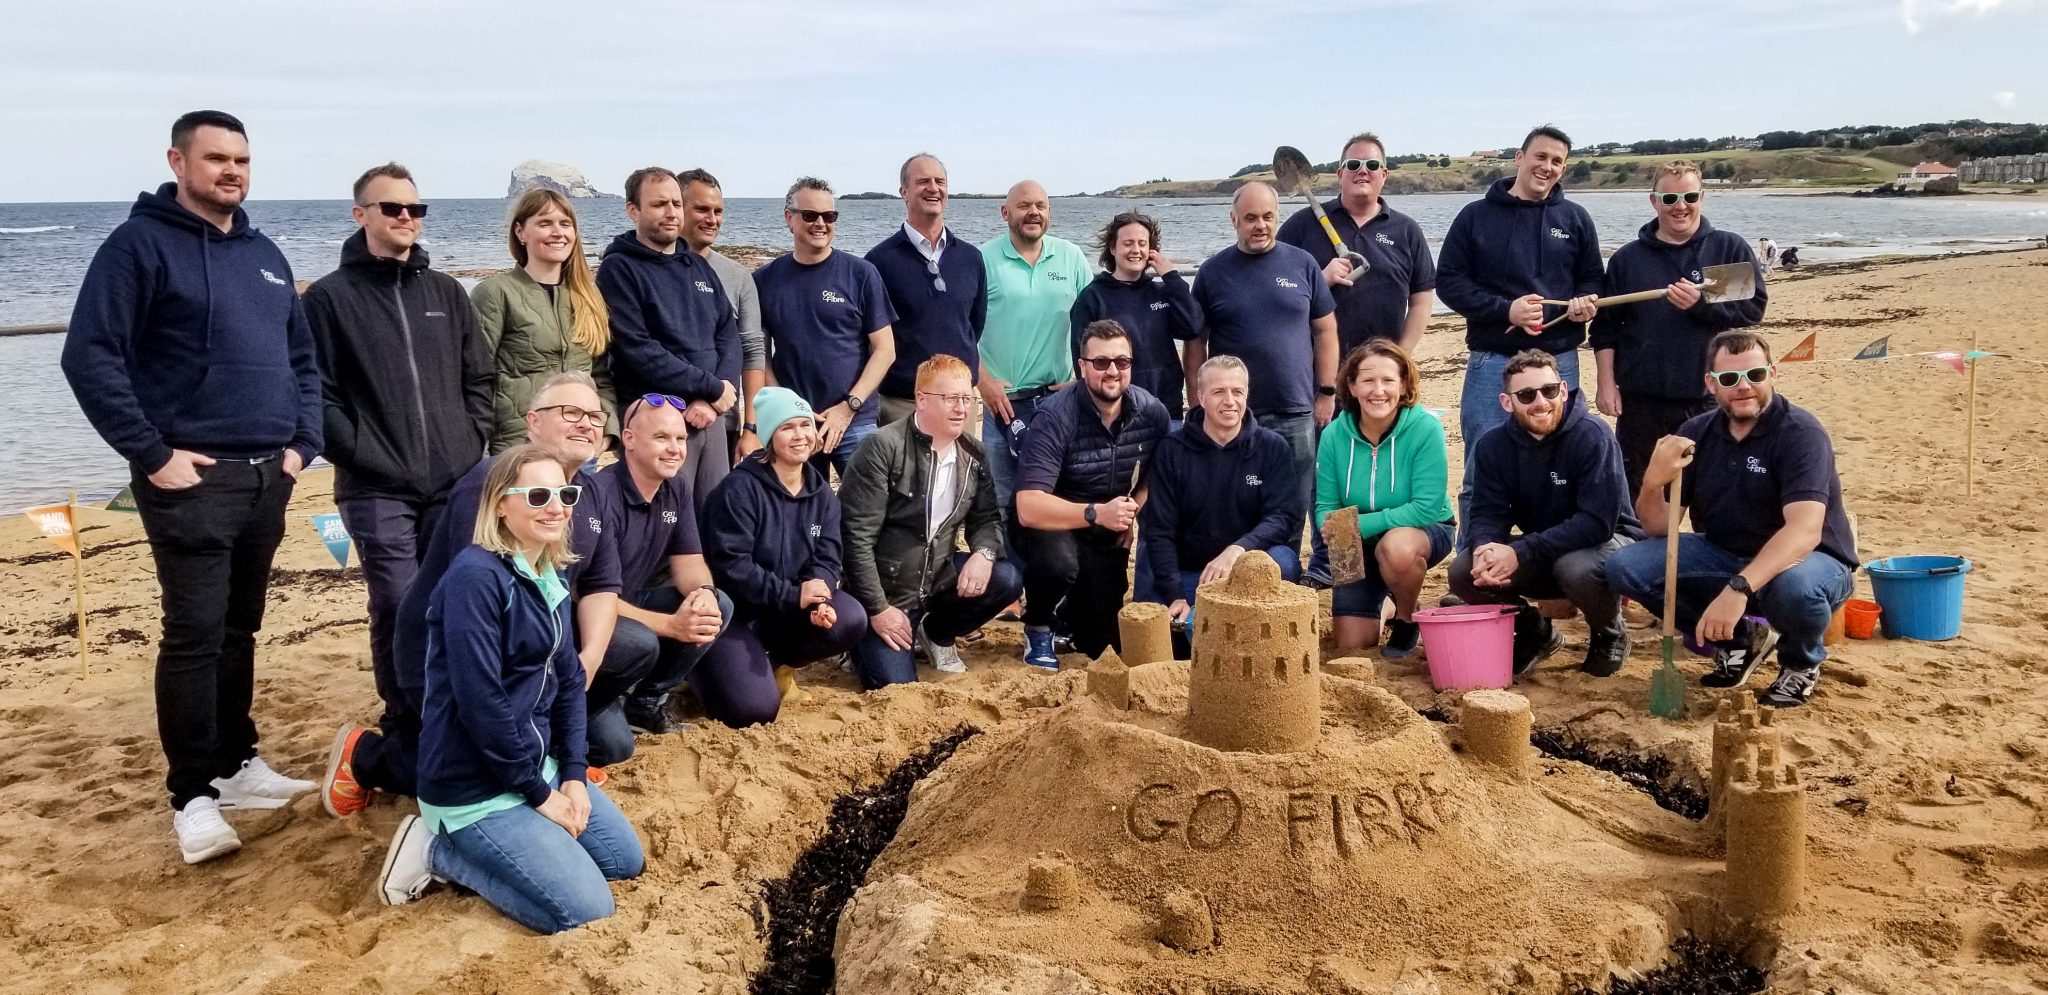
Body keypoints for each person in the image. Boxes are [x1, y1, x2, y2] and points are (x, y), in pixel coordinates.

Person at [61, 110, 322, 863]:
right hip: (189, 479)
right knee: (193, 635)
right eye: (216, 159)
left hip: (266, 475)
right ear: (179, 160)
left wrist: (304, 445)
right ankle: (193, 796)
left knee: (241, 629)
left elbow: (301, 360)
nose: (232, 170)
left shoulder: (265, 253)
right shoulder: (137, 246)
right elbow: (91, 356)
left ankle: (237, 762)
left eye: (241, 158)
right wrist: (150, 452)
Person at [325, 374, 621, 816]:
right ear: (533, 422)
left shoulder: (590, 492)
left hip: (526, 650)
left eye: (595, 415)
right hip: (446, 653)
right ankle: (367, 756)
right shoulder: (490, 482)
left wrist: (589, 657)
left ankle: (539, 757)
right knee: (485, 766)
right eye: (571, 412)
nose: (587, 424)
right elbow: (478, 614)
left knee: (597, 737)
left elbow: (601, 584)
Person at [377, 445, 644, 933]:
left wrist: (573, 774)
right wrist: (540, 795)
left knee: (623, 861)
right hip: (474, 784)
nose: (556, 506)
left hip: (532, 764)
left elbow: (567, 683)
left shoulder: (549, 571)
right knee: (587, 910)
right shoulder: (474, 579)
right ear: (501, 504)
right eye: (538, 494)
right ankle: (437, 851)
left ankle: (520, 831)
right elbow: (483, 706)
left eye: (564, 494)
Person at [305, 164, 494, 808]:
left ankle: (444, 710)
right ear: (360, 214)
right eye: (391, 208)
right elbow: (317, 396)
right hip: (373, 484)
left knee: (451, 598)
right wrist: (363, 451)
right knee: (397, 601)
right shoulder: (328, 299)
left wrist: (470, 446)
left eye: (415, 209)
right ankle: (404, 722)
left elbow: (479, 382)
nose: (406, 218)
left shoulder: (446, 291)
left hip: (452, 479)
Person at [1604, 331, 1858, 709]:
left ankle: (1799, 664)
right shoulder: (1696, 433)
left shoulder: (1801, 434)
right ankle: (1740, 642)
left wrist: (1737, 589)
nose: (1744, 387)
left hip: (1811, 560)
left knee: (1792, 587)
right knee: (1626, 566)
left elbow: (1803, 532)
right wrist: (1653, 482)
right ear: (1711, 383)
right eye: (1729, 379)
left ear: (1773, 374)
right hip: (1723, 551)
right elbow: (1658, 529)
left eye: (1754, 375)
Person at [1437, 124, 1604, 546]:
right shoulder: (1476, 215)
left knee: (1559, 465)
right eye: (1540, 157)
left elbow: (1593, 281)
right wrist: (1504, 309)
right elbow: (1449, 282)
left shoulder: (1575, 218)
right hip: (1492, 359)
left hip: (1559, 359)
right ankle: (1471, 565)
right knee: (1480, 465)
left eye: (1557, 162)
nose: (1547, 167)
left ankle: (1552, 561)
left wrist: (1586, 302)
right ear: (1519, 157)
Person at [1450, 350, 1642, 677]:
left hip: (1609, 542)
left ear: (1563, 391)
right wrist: (1487, 547)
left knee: (1575, 567)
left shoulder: (1593, 435)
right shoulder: (1493, 446)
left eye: (1549, 391)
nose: (1540, 401)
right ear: (1507, 402)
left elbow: (1597, 523)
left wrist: (1520, 551)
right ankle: (1535, 631)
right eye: (1526, 394)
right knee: (1464, 569)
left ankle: (1610, 634)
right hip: (1543, 548)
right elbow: (1486, 511)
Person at [838, 355, 1020, 688]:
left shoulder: (974, 455)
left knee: (1006, 579)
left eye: (967, 398)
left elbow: (988, 519)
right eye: (950, 398)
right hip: (887, 594)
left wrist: (984, 554)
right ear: (921, 400)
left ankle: (936, 631)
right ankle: (858, 643)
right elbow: (854, 539)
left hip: (936, 583)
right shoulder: (882, 448)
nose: (961, 408)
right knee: (895, 686)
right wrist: (878, 610)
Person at [1591, 161, 1768, 495]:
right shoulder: (1628, 259)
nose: (1680, 206)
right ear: (1654, 200)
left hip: (1709, 398)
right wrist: (1605, 385)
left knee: (1711, 493)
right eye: (1670, 198)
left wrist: (1700, 307)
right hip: (1640, 402)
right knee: (1639, 494)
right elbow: (1606, 329)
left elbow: (1751, 310)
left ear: (1702, 196)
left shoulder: (1727, 248)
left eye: (1688, 196)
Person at [697, 387, 869, 724]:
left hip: (785, 609)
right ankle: (707, 673)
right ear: (769, 435)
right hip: (732, 615)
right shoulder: (739, 490)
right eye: (787, 427)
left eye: (805, 425)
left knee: (849, 618)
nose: (800, 436)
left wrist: (818, 594)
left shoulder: (822, 494)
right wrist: (794, 595)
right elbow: (732, 567)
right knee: (754, 710)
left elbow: (829, 556)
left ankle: (776, 666)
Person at [1188, 181, 1338, 549]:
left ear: (1277, 217)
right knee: (1234, 499)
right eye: (1250, 218)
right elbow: (1195, 343)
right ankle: (1239, 573)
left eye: (1268, 217)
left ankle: (1283, 575)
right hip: (1233, 413)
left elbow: (1326, 330)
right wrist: (1196, 398)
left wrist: (1327, 392)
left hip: (1296, 409)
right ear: (1233, 220)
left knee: (1295, 501)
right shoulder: (1211, 272)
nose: (1260, 225)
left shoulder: (1302, 264)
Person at [1013, 321, 1171, 666]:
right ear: (1082, 366)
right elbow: (1027, 506)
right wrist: (1096, 513)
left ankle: (1070, 615)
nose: (1112, 371)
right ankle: (1038, 625)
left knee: (1100, 645)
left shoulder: (1152, 413)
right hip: (1050, 522)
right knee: (1060, 566)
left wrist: (1131, 512)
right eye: (1101, 363)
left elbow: (1155, 476)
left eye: (1122, 362)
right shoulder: (1055, 416)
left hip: (1105, 527)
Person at [585, 396, 733, 754]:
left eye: (680, 439)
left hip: (633, 601)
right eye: (662, 438)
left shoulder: (676, 487)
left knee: (718, 604)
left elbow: (690, 561)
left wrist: (703, 593)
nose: (675, 449)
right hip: (591, 619)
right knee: (615, 749)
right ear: (629, 439)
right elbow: (587, 597)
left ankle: (647, 701)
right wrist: (670, 626)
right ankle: (594, 699)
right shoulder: (600, 494)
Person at [597, 166, 742, 513]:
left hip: (708, 415)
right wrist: (709, 387)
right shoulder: (619, 269)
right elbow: (638, 349)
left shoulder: (696, 264)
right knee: (663, 517)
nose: (671, 213)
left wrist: (715, 395)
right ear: (634, 210)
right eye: (660, 204)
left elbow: (728, 333)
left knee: (713, 513)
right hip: (656, 416)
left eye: (676, 204)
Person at [1140, 355, 1303, 643]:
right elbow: (1159, 530)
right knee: (1150, 606)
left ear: (1246, 395)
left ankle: (1228, 625)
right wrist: (1175, 594)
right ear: (1200, 397)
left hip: (1245, 574)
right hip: (1193, 575)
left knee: (1284, 562)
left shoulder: (1272, 447)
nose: (1229, 401)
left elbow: (1283, 517)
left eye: (1237, 392)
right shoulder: (1171, 450)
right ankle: (1201, 619)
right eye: (1219, 392)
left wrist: (1237, 550)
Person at [1315, 341, 1454, 656]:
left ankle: (1406, 617)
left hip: (1421, 531)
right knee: (1351, 644)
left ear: (1403, 384)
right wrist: (1335, 526)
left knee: (1395, 548)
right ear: (1351, 386)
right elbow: (1326, 506)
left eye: (1388, 380)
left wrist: (1359, 524)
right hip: (1352, 538)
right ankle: (1388, 605)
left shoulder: (1425, 428)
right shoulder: (1333, 436)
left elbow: (1426, 507)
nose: (1378, 390)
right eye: (1367, 380)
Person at [753, 177, 898, 474]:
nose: (821, 223)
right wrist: (784, 406)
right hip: (794, 424)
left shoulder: (862, 274)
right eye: (810, 215)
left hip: (855, 421)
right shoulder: (764, 280)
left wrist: (848, 407)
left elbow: (885, 350)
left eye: (829, 216)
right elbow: (759, 353)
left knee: (865, 515)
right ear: (788, 218)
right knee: (797, 513)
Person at [978, 180, 1094, 516]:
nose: (1033, 212)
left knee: (1058, 495)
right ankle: (1011, 570)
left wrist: (1084, 379)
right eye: (1024, 205)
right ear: (1005, 213)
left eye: (1041, 206)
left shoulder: (1071, 257)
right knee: (1002, 502)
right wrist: (982, 380)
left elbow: (1094, 325)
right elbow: (960, 330)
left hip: (1060, 401)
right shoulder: (982, 259)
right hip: (1003, 404)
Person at [471, 188, 617, 453]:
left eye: (565, 224)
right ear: (520, 232)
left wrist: (606, 436)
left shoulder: (588, 295)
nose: (558, 232)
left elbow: (601, 376)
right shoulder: (495, 293)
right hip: (518, 449)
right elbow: (475, 380)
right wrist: (479, 455)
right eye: (544, 223)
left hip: (580, 450)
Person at [1276, 132, 1436, 354]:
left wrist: (1402, 355)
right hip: (1316, 368)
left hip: (1381, 369)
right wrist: (1321, 280)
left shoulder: (1407, 230)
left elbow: (1422, 298)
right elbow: (1275, 287)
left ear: (1384, 174)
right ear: (1340, 174)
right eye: (1353, 165)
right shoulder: (1301, 225)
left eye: (1372, 164)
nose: (1362, 170)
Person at [866, 154, 987, 426]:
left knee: (961, 470)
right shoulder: (878, 261)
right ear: (904, 192)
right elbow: (870, 337)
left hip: (959, 402)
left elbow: (973, 325)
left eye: (940, 181)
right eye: (923, 182)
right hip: (902, 404)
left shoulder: (971, 258)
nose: (933, 188)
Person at [1070, 211, 1199, 422]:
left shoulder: (1161, 291)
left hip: (1167, 408)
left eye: (1142, 243)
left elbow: (1193, 326)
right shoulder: (1092, 297)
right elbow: (1081, 360)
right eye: (1128, 243)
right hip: (1118, 414)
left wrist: (1171, 277)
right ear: (1113, 248)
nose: (1136, 250)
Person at [674, 168, 767, 458]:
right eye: (701, 209)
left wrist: (751, 429)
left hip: (722, 420)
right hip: (663, 418)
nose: (712, 220)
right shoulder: (650, 273)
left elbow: (752, 352)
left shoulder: (737, 277)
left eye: (718, 211)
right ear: (677, 208)